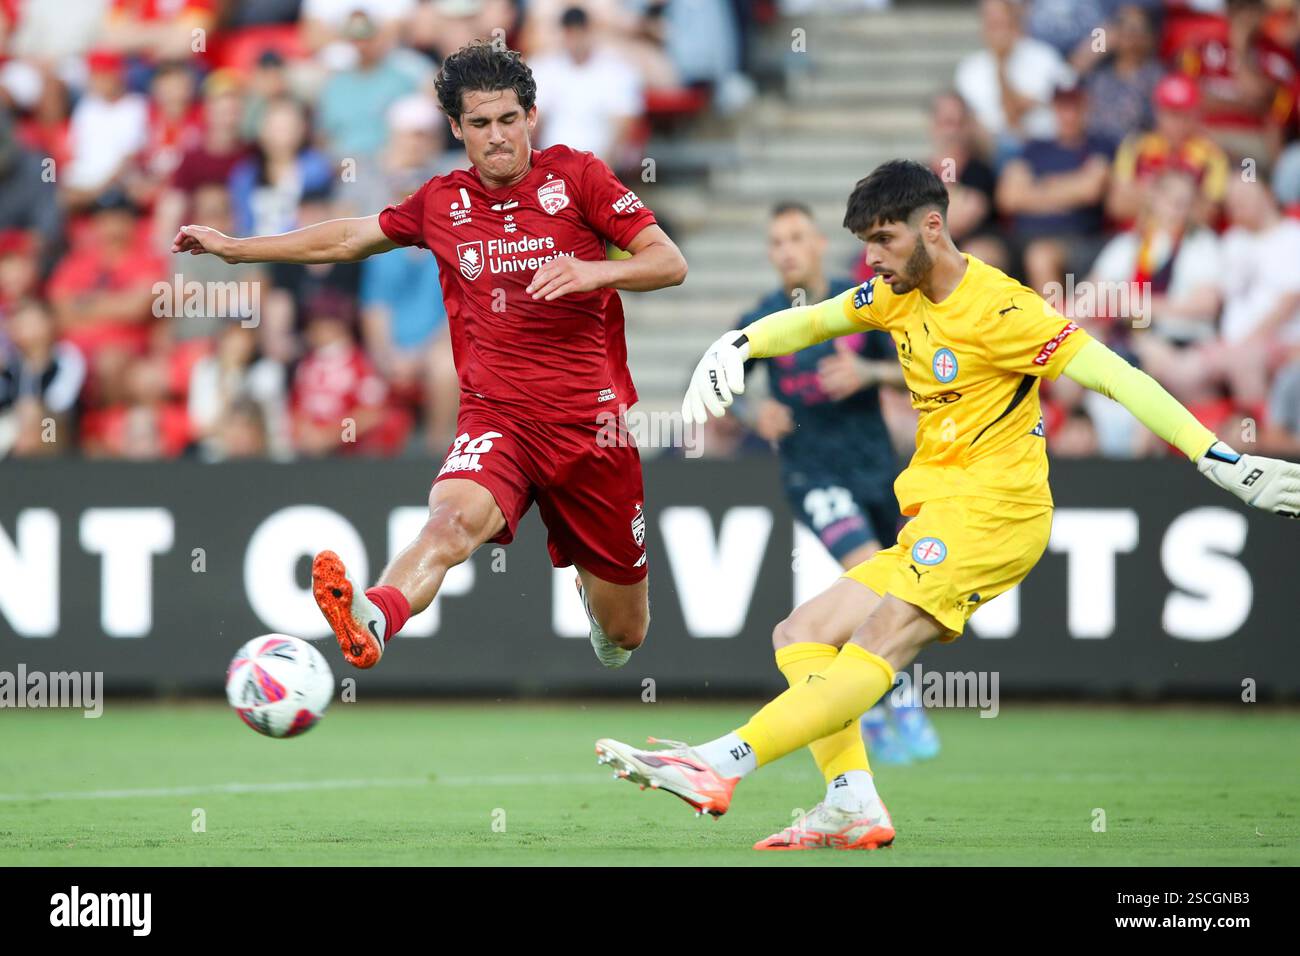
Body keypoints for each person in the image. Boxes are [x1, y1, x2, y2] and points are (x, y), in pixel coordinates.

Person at [596, 160, 1300, 851]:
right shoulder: (896, 292)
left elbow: (1116, 376)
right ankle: (851, 802)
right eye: (864, 243)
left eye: (884, 240)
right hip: (936, 518)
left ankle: (717, 764)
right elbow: (814, 323)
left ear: (932, 226)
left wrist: (1218, 457)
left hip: (997, 518)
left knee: (875, 644)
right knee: (801, 634)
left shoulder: (1005, 309)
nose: (870, 260)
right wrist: (741, 342)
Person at [173, 41, 686, 671]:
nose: (496, 137)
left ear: (530, 116)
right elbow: (348, 237)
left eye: (507, 120)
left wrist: (590, 271)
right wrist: (238, 248)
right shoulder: (444, 200)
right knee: (448, 524)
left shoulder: (579, 178)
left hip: (592, 430)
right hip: (499, 419)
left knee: (625, 637)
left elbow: (669, 262)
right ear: (456, 128)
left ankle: (595, 600)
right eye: (479, 124)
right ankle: (374, 616)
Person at [738, 200, 938, 764]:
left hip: (878, 471)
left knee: (893, 588)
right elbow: (716, 374)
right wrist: (755, 414)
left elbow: (917, 369)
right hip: (813, 474)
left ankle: (868, 700)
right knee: (865, 567)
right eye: (777, 242)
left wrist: (869, 372)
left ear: (820, 243)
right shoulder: (765, 318)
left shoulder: (860, 309)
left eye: (796, 238)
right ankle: (889, 694)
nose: (787, 251)